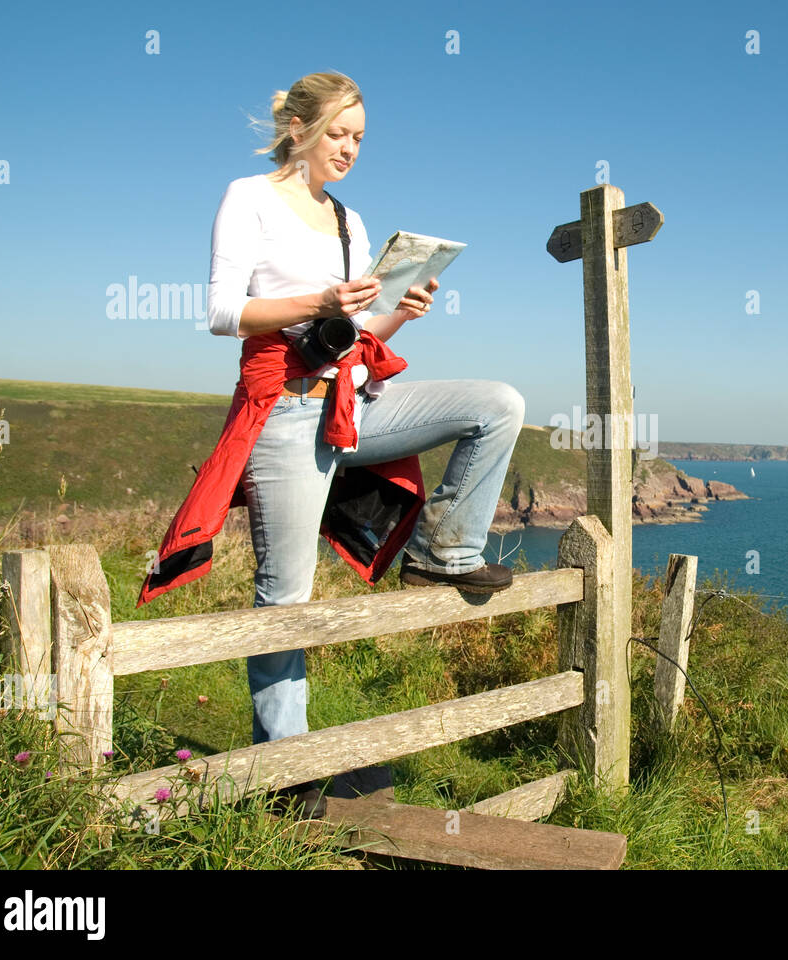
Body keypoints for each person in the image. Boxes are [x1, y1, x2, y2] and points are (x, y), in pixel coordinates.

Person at [206, 71, 525, 817]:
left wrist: (401, 313)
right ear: (299, 129)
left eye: (359, 137)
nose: (349, 148)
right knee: (285, 594)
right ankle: (286, 771)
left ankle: (443, 552)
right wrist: (319, 299)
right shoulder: (247, 197)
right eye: (338, 133)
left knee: (498, 405)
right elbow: (223, 311)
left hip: (350, 405)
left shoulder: (351, 222)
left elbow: (352, 338)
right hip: (283, 412)